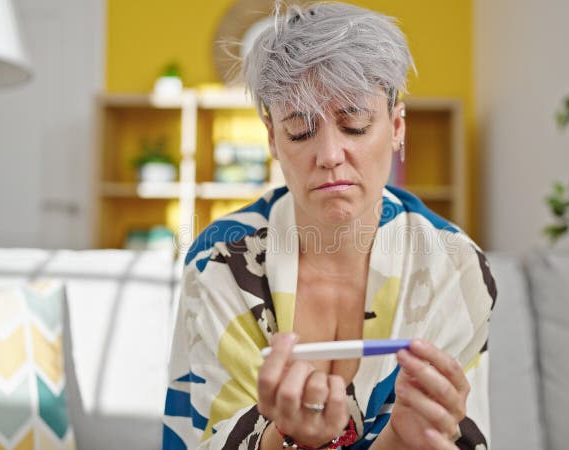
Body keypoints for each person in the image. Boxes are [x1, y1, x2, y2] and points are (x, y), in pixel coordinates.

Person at [162, 2, 496, 449]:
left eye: (354, 125)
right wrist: (281, 440)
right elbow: (206, 437)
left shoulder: (450, 267)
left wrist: (402, 439)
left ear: (397, 127)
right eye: (300, 130)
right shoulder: (223, 262)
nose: (330, 155)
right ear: (273, 140)